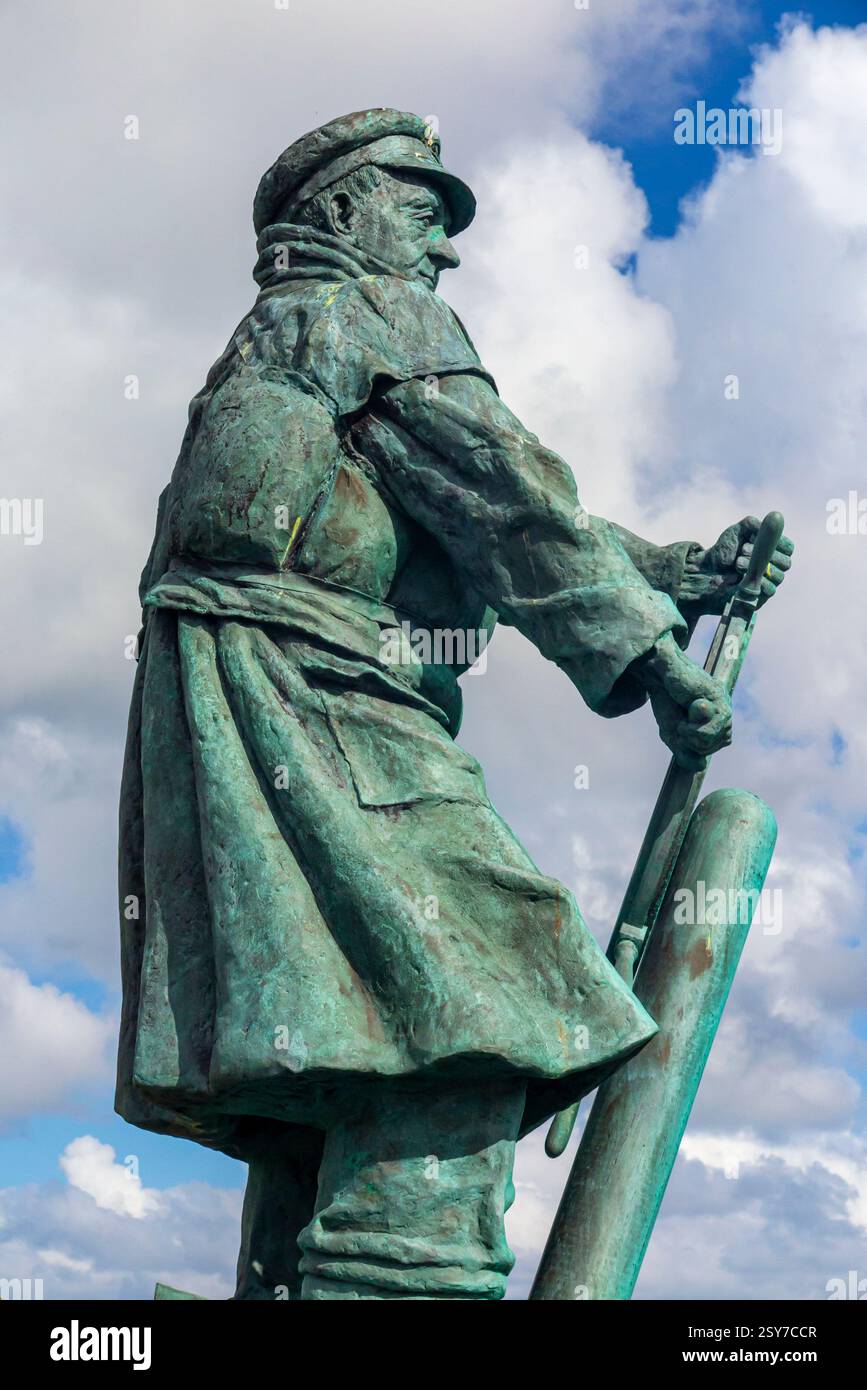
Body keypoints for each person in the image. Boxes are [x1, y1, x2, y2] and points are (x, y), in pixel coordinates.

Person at [116, 109, 792, 1300]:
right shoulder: (373, 311)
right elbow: (497, 486)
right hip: (320, 704)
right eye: (425, 213)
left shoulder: (283, 334)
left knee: (346, 1048)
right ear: (343, 212)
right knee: (488, 999)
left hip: (250, 710)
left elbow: (460, 493)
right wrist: (649, 659)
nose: (446, 247)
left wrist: (669, 575)